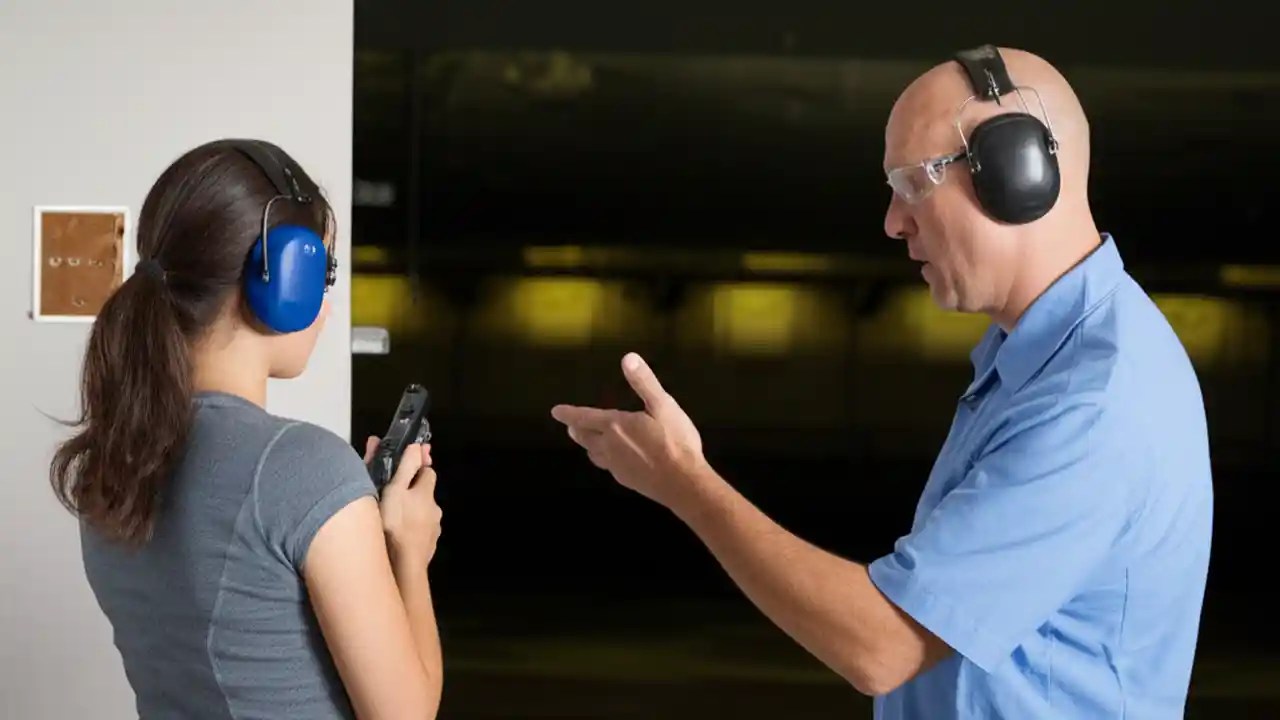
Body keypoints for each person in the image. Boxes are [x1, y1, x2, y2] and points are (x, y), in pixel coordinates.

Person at [550, 45, 1213, 719]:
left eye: (915, 182)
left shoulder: (1091, 402)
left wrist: (685, 482)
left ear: (1019, 173)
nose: (894, 221)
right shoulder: (1041, 357)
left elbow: (882, 647)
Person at [50, 139, 445, 719]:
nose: (326, 303)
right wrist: (409, 553)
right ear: (286, 277)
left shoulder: (110, 464)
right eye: (323, 272)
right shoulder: (303, 466)